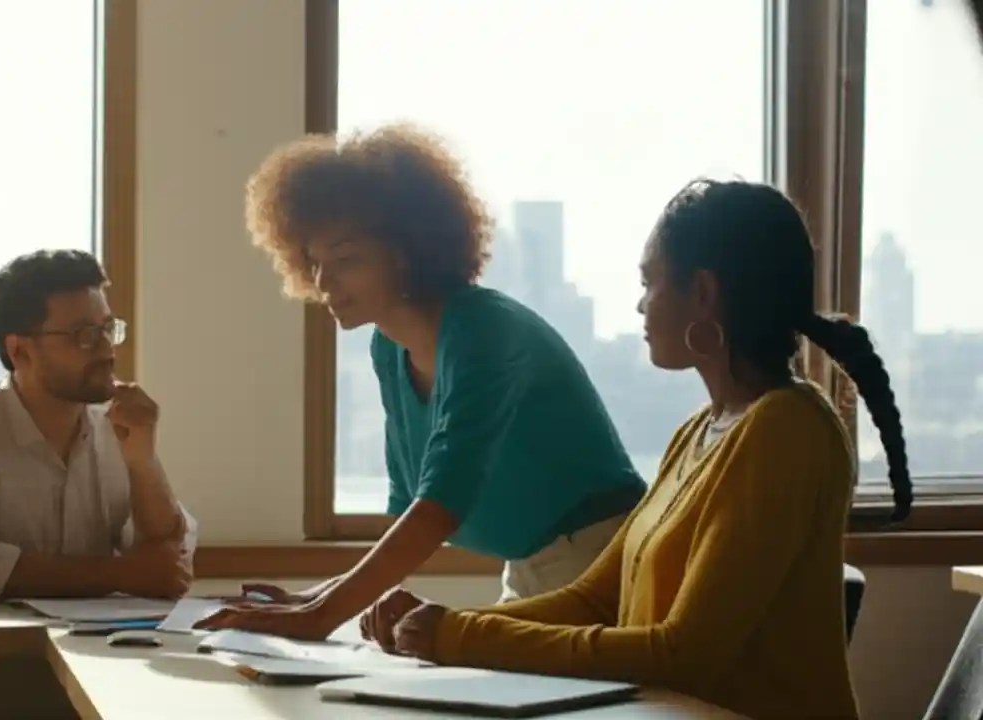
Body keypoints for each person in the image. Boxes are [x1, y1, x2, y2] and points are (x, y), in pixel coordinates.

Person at [380, 179, 913, 720]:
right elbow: (595, 600)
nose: (639, 304)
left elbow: (682, 654)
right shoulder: (698, 433)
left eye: (649, 281)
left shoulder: (786, 431)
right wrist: (442, 624)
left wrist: (459, 636)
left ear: (702, 293)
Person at [198, 124, 645, 641]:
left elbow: (440, 504)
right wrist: (313, 597)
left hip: (601, 566)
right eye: (314, 262)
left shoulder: (483, 329)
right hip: (531, 568)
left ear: (406, 251)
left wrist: (319, 615)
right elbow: (407, 504)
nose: (323, 284)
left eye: (345, 261)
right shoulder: (388, 348)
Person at [0, 249, 197, 602]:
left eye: (107, 330)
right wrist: (119, 574)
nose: (106, 351)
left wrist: (143, 462)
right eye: (83, 334)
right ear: (20, 351)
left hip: (102, 647)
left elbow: (169, 559)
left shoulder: (116, 427)